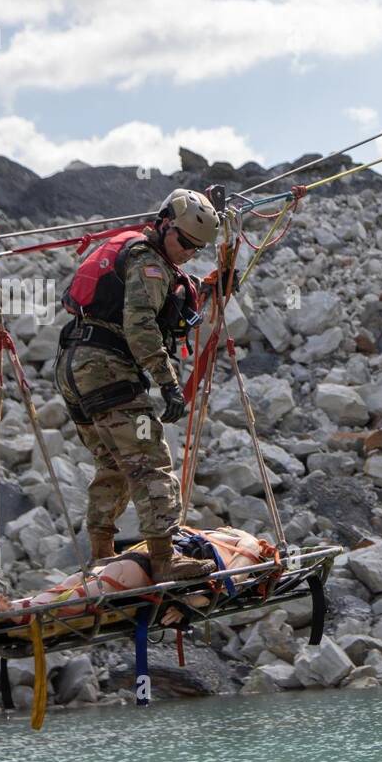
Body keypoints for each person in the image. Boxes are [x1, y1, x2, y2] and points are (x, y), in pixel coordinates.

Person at [53, 187, 237, 581]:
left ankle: (101, 554)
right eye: (184, 242)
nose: (189, 252)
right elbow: (141, 326)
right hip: (107, 369)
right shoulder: (149, 263)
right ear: (164, 224)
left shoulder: (141, 258)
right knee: (150, 459)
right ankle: (165, 559)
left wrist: (210, 288)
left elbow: (168, 304)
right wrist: (168, 383)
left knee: (114, 463)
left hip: (74, 367)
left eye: (197, 248)